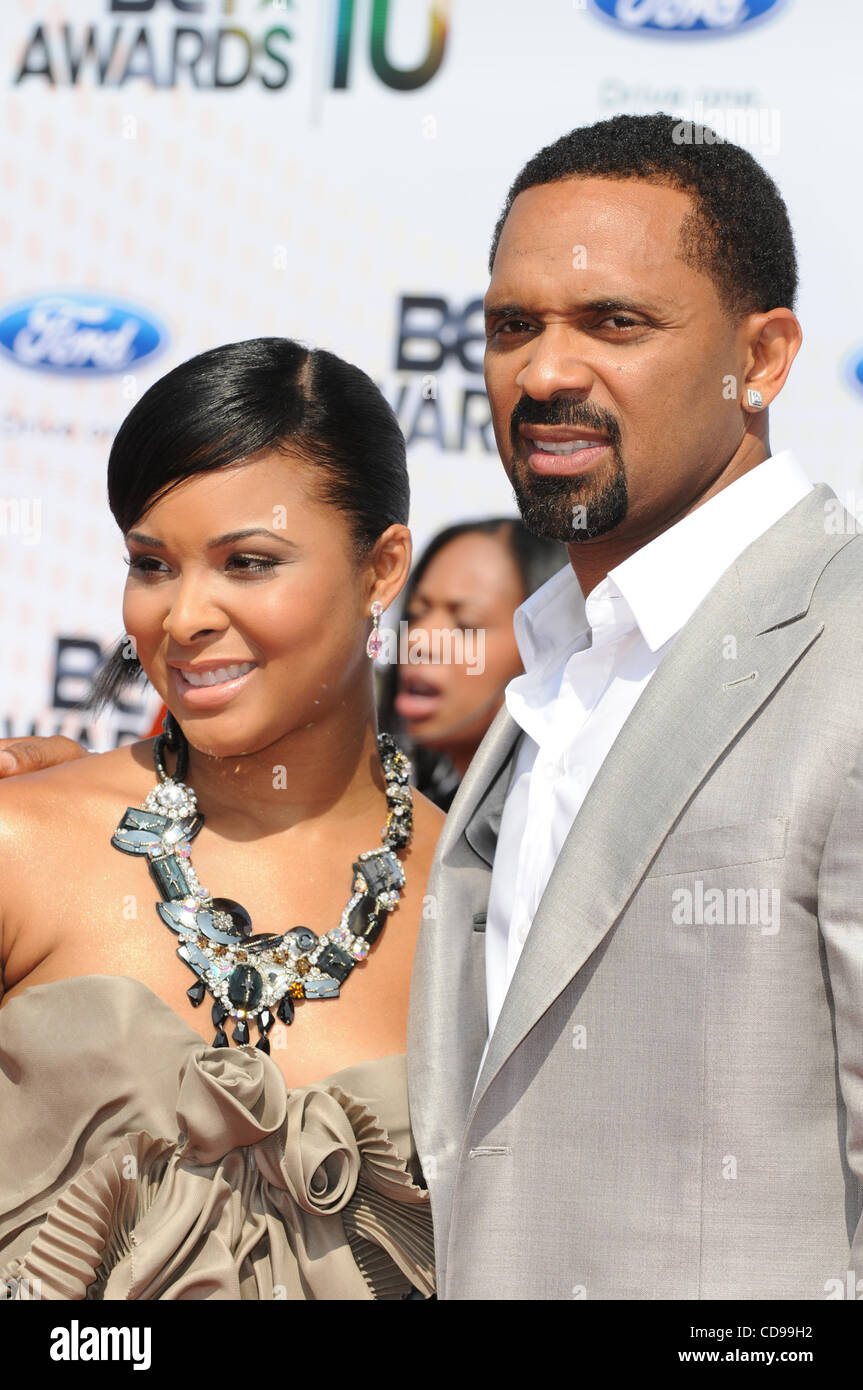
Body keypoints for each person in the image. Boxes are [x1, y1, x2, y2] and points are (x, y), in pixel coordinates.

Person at [407, 113, 863, 1299]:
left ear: (759, 359)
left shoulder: (846, 647)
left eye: (615, 323)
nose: (545, 372)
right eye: (513, 326)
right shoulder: (557, 661)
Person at [0, 337, 444, 1300]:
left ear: (382, 568)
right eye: (152, 564)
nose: (183, 614)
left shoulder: (485, 904)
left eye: (248, 562)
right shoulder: (21, 847)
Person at [379, 519, 564, 810]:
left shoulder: (553, 829)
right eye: (417, 613)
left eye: (466, 624)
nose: (418, 642)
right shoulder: (420, 818)